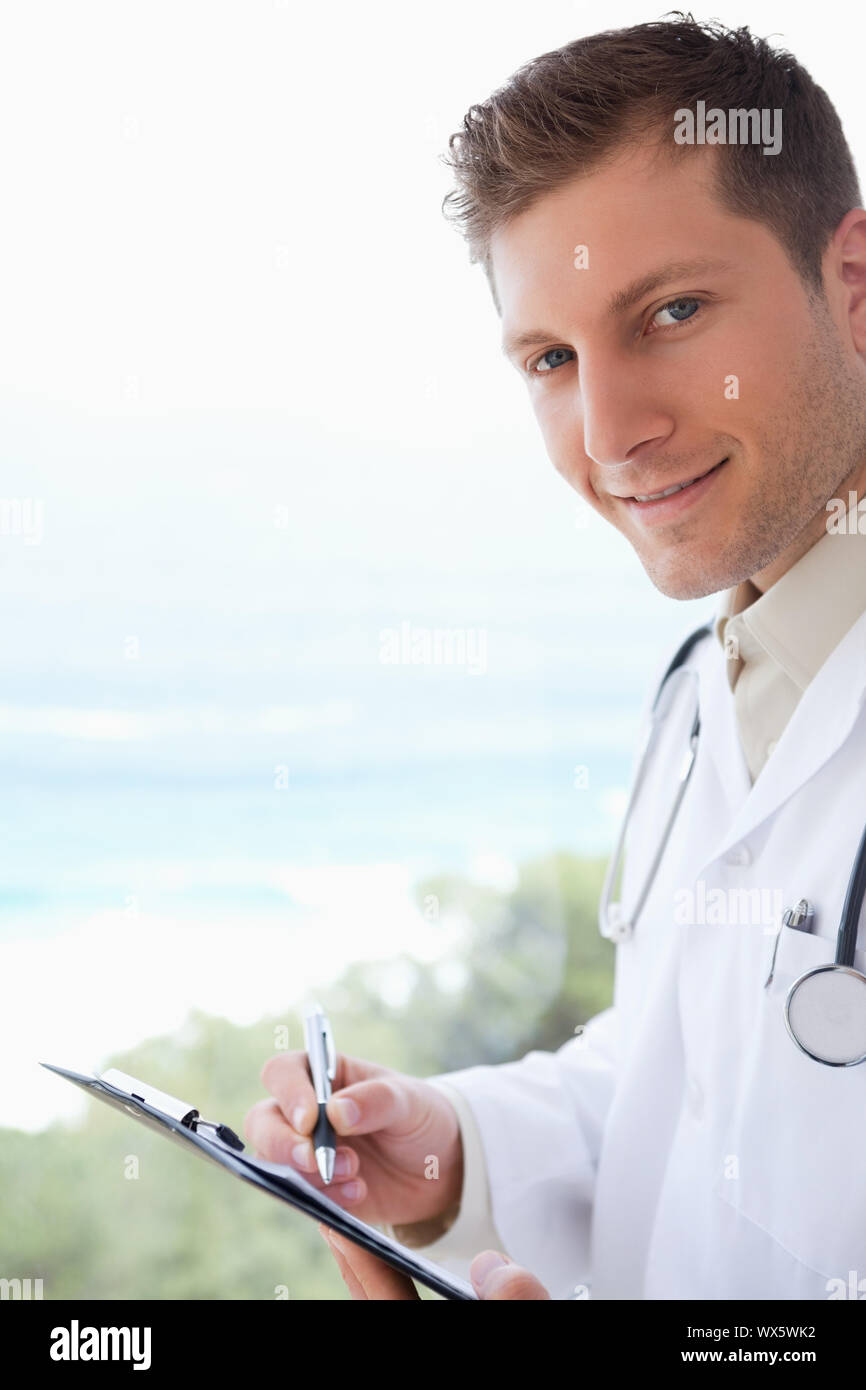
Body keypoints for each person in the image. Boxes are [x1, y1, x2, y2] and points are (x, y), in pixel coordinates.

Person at [244, 15, 866, 1299]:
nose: (610, 430)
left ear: (851, 285)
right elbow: (691, 1083)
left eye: (672, 311)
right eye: (551, 359)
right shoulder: (705, 694)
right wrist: (453, 1154)